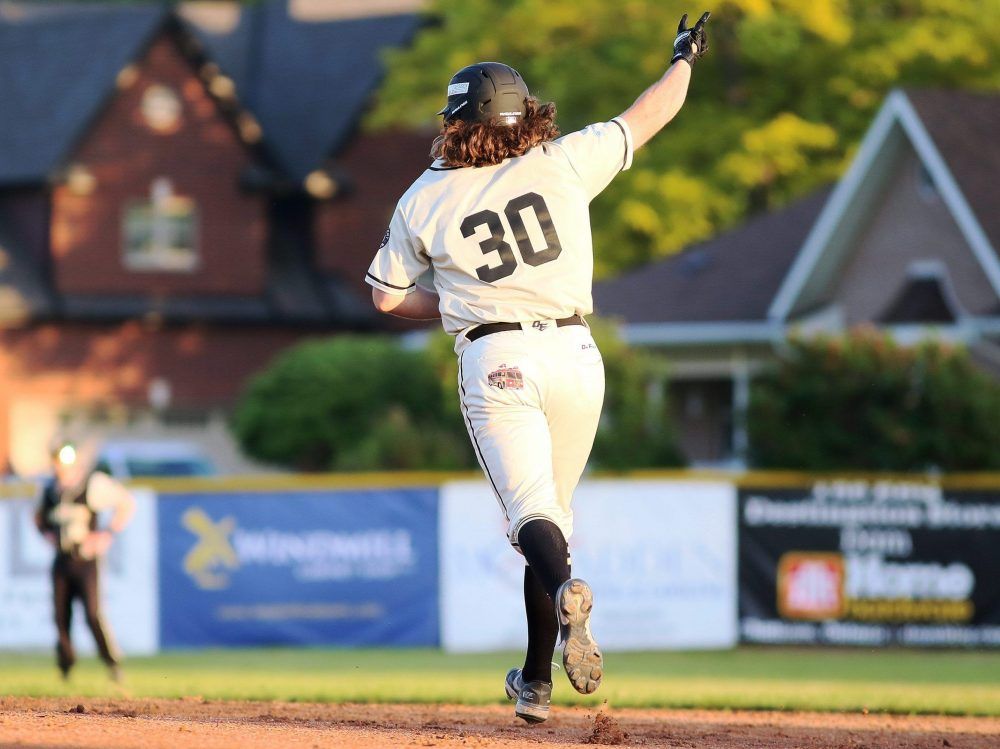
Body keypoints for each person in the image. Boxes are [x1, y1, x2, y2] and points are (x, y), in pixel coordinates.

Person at [366, 12, 710, 723]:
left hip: (498, 357)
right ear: (528, 115)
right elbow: (650, 112)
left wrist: (460, 303)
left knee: (532, 519)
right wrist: (684, 58)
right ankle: (536, 682)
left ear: (457, 122)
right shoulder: (562, 161)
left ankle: (569, 590)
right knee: (550, 519)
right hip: (578, 353)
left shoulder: (424, 195)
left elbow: (384, 296)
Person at [34, 440, 136, 682]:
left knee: (92, 614)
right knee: (60, 616)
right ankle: (65, 665)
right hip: (62, 559)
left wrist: (108, 533)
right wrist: (46, 534)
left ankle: (112, 664)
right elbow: (38, 518)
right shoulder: (51, 490)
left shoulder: (91, 483)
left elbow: (126, 503)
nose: (61, 467)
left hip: (86, 560)